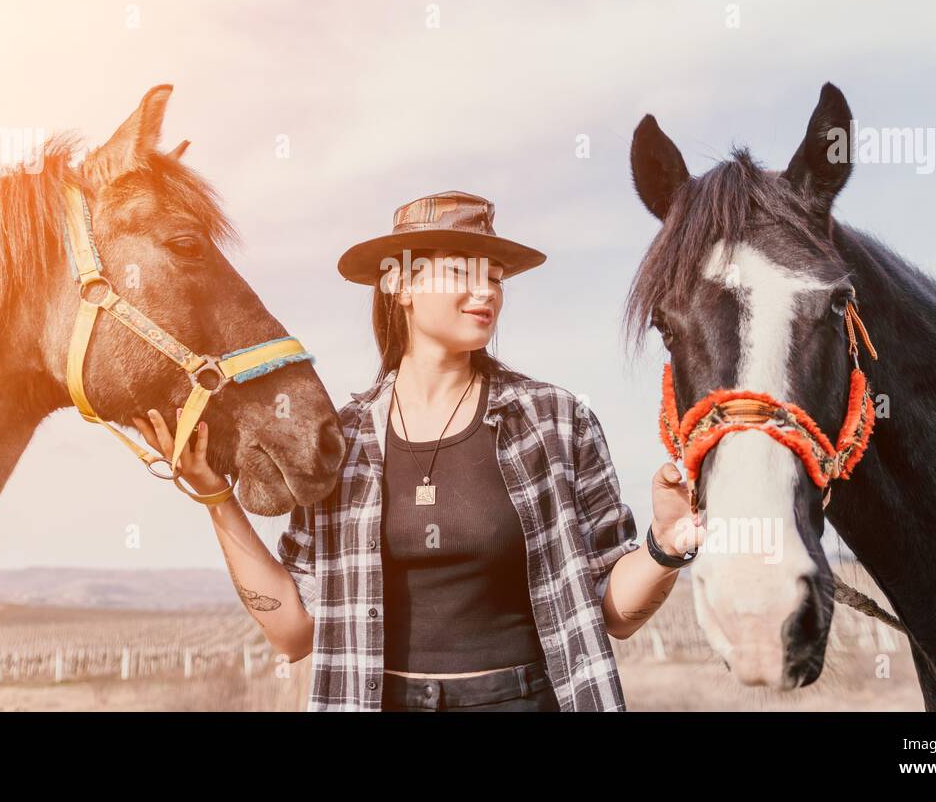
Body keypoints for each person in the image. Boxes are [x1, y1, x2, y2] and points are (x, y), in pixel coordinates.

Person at [136, 190, 702, 711]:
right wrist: (216, 498)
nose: (486, 292)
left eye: (496, 278)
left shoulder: (557, 421)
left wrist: (665, 545)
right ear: (400, 285)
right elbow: (292, 630)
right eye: (462, 272)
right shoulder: (346, 439)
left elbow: (615, 613)